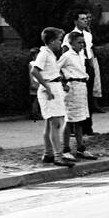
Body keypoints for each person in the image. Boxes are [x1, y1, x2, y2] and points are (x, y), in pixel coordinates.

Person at [31, 27, 73, 166]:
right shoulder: (44, 54)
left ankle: (48, 153)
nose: (60, 43)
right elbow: (35, 71)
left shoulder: (50, 54)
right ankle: (58, 156)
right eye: (59, 40)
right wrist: (47, 87)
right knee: (56, 123)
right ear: (52, 41)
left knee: (50, 124)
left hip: (54, 86)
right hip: (49, 89)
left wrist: (61, 83)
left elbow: (51, 72)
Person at [58, 30, 98, 159]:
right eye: (79, 42)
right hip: (72, 87)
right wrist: (63, 83)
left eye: (83, 42)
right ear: (71, 43)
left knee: (80, 120)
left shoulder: (81, 55)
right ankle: (66, 149)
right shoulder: (67, 56)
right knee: (70, 120)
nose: (82, 45)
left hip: (82, 87)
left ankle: (80, 148)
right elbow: (55, 69)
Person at [74, 10, 103, 123]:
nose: (86, 20)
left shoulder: (88, 35)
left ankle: (88, 126)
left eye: (87, 18)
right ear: (76, 21)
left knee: (90, 93)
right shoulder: (72, 36)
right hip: (79, 65)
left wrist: (91, 66)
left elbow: (90, 50)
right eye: (83, 19)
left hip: (88, 64)